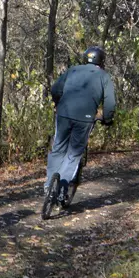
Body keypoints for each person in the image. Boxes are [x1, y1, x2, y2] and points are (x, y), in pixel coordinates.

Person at [45, 46, 116, 201]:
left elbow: (56, 89)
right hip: (84, 118)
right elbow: (110, 102)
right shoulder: (104, 76)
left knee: (57, 149)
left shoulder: (73, 70)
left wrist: (59, 104)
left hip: (64, 114)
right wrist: (107, 118)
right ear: (102, 61)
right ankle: (63, 188)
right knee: (73, 154)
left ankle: (48, 188)